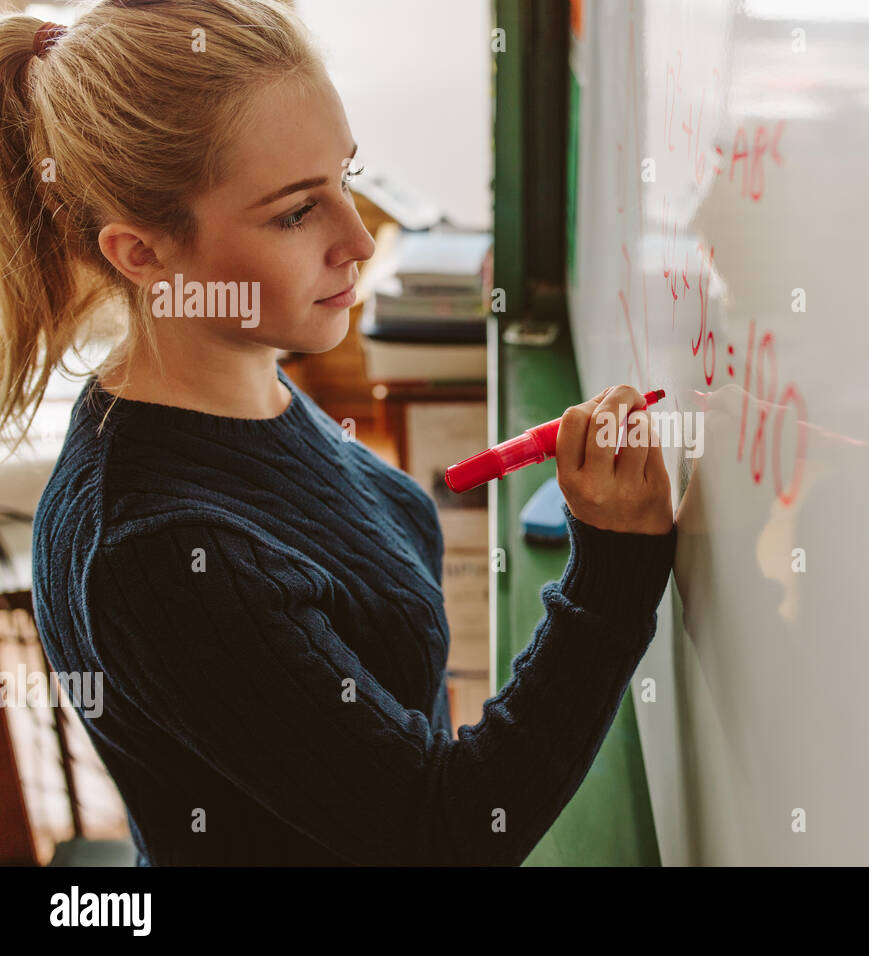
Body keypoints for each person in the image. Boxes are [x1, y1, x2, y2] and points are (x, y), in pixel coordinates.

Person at [1, 0, 676, 865]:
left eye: (345, 180)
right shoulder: (157, 550)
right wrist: (611, 575)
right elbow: (444, 834)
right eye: (294, 213)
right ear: (141, 254)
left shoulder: (244, 378)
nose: (359, 240)